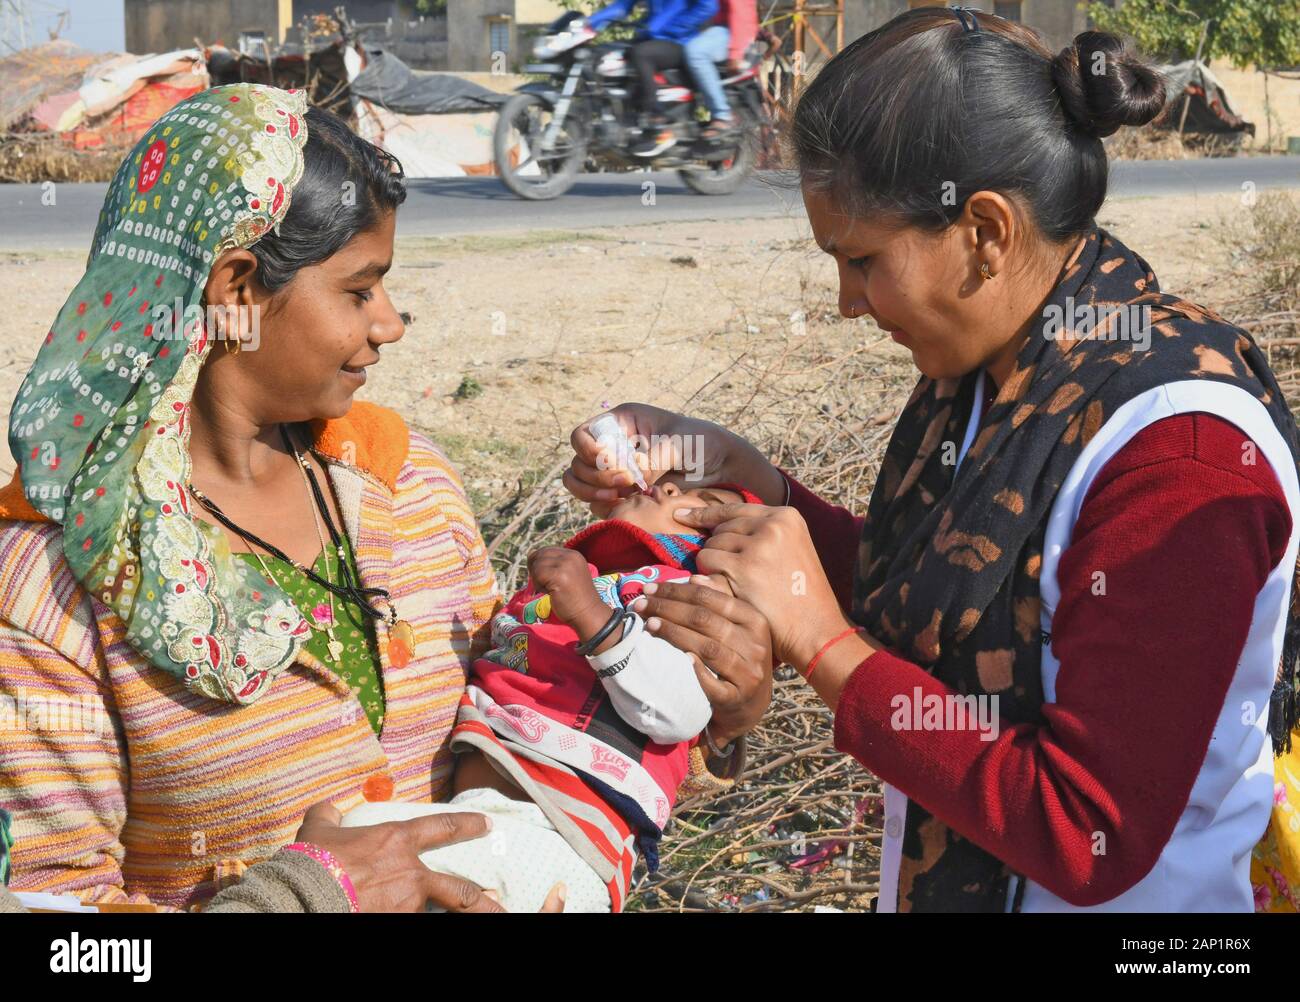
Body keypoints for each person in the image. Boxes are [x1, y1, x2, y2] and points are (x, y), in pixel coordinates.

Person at [563, 8, 1300, 912]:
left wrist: (826, 649)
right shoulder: (1021, 354)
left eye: (863, 259)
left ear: (984, 231)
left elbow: (1085, 830)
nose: (846, 301)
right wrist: (738, 478)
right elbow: (953, 595)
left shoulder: (1182, 456)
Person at [0, 83, 772, 911]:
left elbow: (539, 724)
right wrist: (299, 897)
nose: (392, 323)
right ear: (234, 292)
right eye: (360, 291)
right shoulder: (54, 588)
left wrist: (713, 717)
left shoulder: (411, 489)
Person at [342, 481, 767, 912]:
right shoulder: (586, 578)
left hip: (560, 842)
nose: (671, 485)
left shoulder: (687, 599)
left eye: (709, 504)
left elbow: (682, 712)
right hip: (492, 823)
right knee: (349, 849)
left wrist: (593, 618)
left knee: (346, 861)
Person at [584, 0, 720, 155]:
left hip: (679, 41)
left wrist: (675, 27)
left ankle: (658, 118)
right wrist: (588, 25)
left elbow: (708, 6)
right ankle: (628, 121)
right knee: (606, 52)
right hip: (652, 37)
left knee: (641, 54)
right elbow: (622, 5)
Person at [683, 0, 759, 140]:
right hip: (719, 29)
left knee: (696, 52)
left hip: (733, 34)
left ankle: (723, 115)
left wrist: (736, 52)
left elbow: (741, 12)